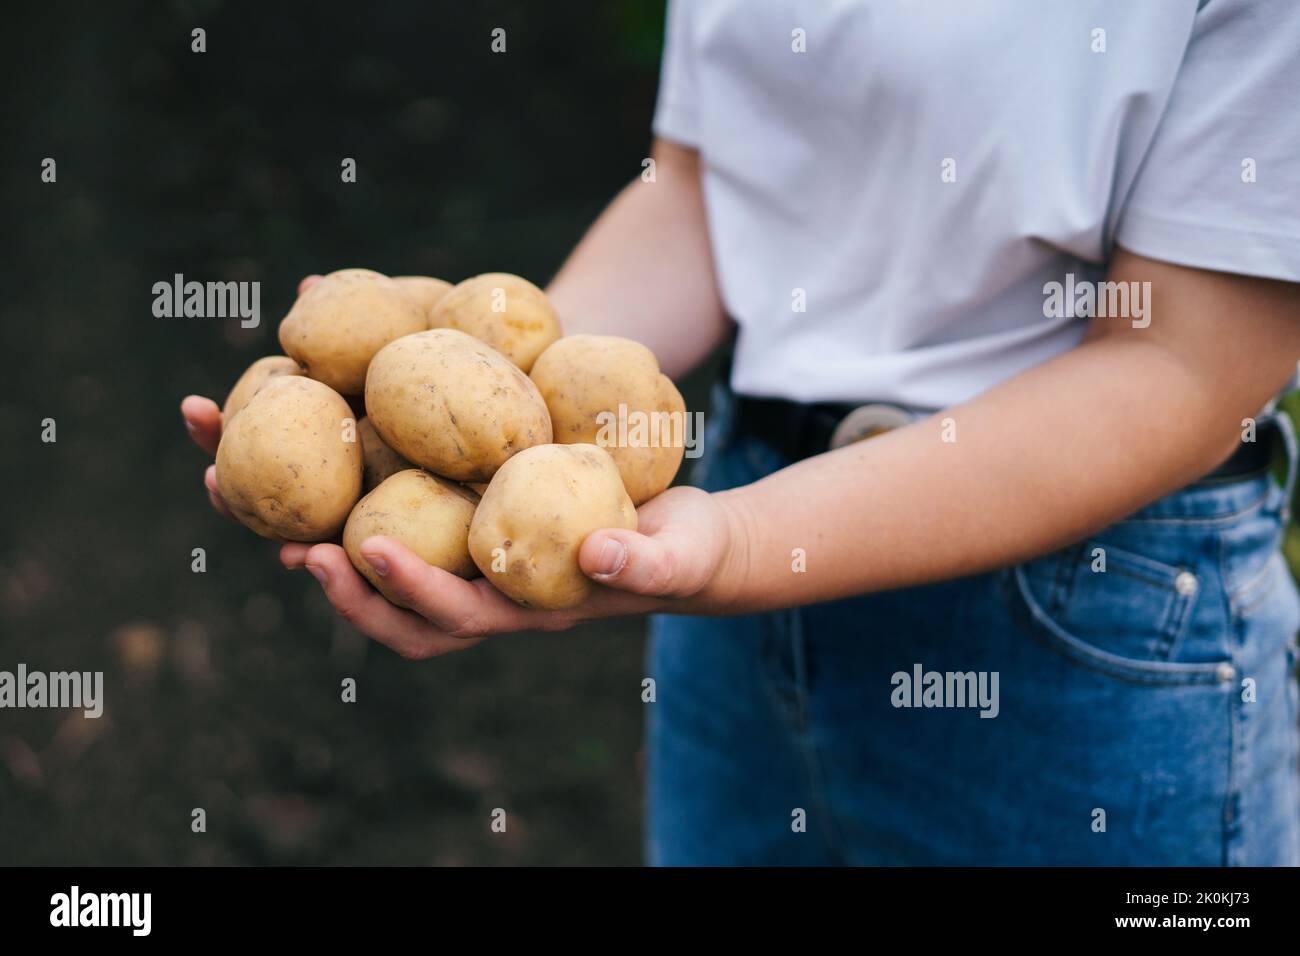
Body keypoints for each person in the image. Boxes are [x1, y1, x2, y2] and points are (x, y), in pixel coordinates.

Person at [182, 0, 1300, 865]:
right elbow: (703, 195)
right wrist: (496, 416)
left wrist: (754, 545)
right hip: (731, 546)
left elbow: (1189, 361)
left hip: (1088, 619)